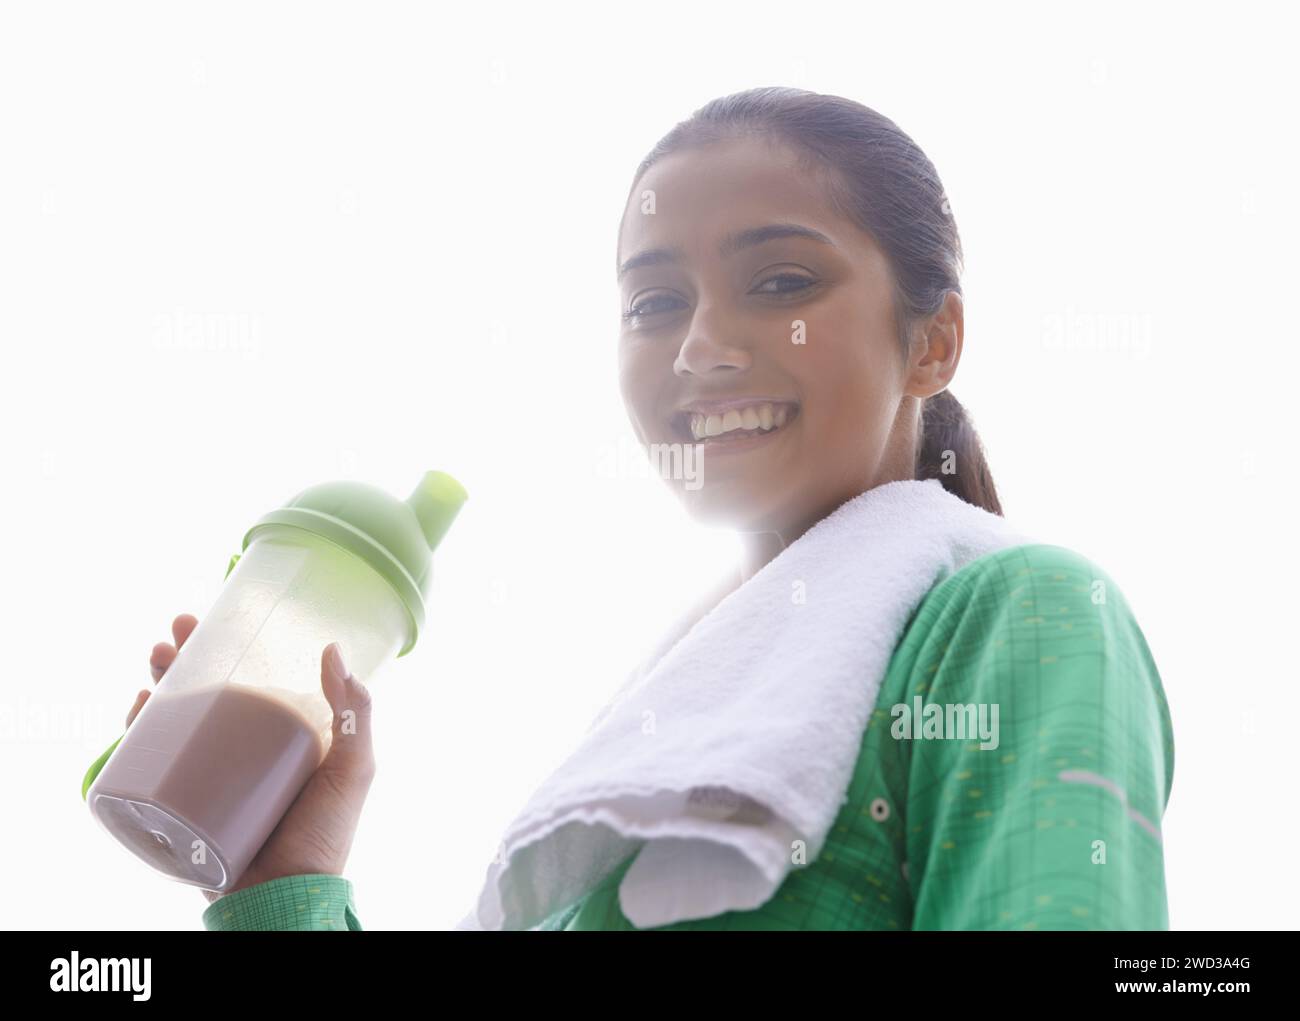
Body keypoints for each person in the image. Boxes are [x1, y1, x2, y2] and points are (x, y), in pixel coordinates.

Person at [137, 86, 1173, 930]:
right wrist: (286, 878)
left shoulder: (1019, 618)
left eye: (779, 280)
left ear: (933, 341)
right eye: (654, 303)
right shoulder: (649, 740)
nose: (698, 347)